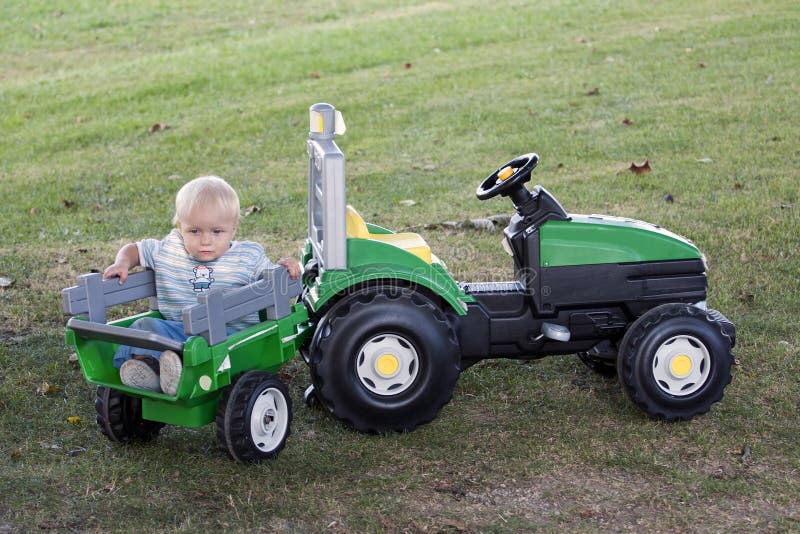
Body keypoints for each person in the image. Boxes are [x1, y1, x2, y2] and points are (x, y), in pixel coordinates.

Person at [103, 175, 301, 395]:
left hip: (229, 338)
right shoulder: (170, 248)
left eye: (217, 232)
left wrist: (285, 267)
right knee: (145, 327)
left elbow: (270, 278)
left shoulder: (246, 256)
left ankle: (173, 372)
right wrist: (122, 263)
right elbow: (135, 250)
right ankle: (150, 371)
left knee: (194, 347)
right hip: (178, 331)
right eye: (194, 231)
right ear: (180, 227)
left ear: (233, 229)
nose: (205, 240)